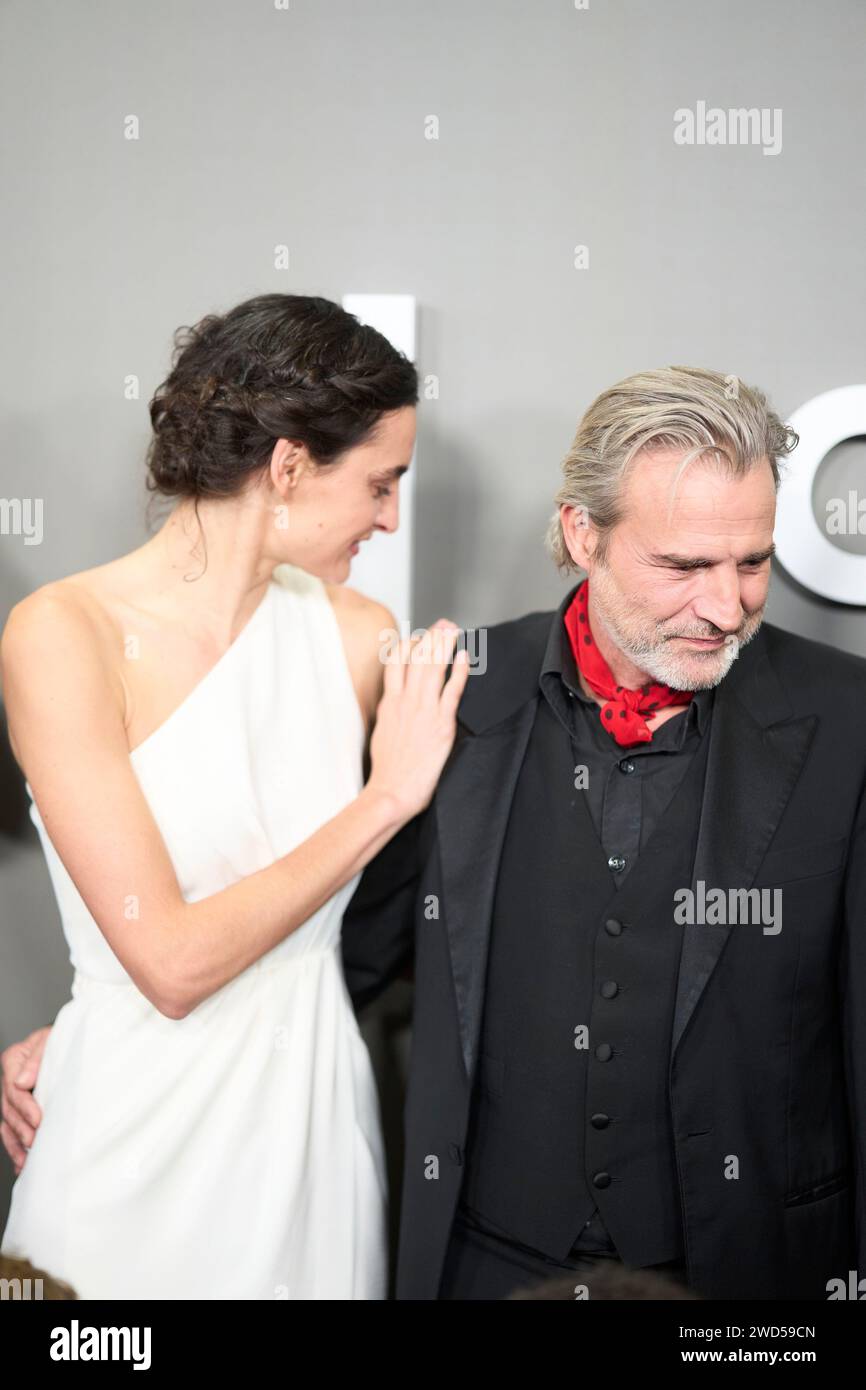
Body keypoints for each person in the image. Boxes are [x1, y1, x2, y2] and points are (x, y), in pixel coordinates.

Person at [336, 366, 866, 1299]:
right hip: (483, 1260)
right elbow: (344, 957)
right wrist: (110, 1035)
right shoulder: (457, 693)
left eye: (752, 562)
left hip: (745, 1278)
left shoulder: (848, 719)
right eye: (684, 566)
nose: (726, 606)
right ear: (584, 533)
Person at [0, 292, 469, 1299]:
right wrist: (383, 799)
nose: (390, 518)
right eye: (380, 484)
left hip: (309, 1135)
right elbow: (167, 963)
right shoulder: (62, 633)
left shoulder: (355, 633)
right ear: (291, 465)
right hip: (128, 1139)